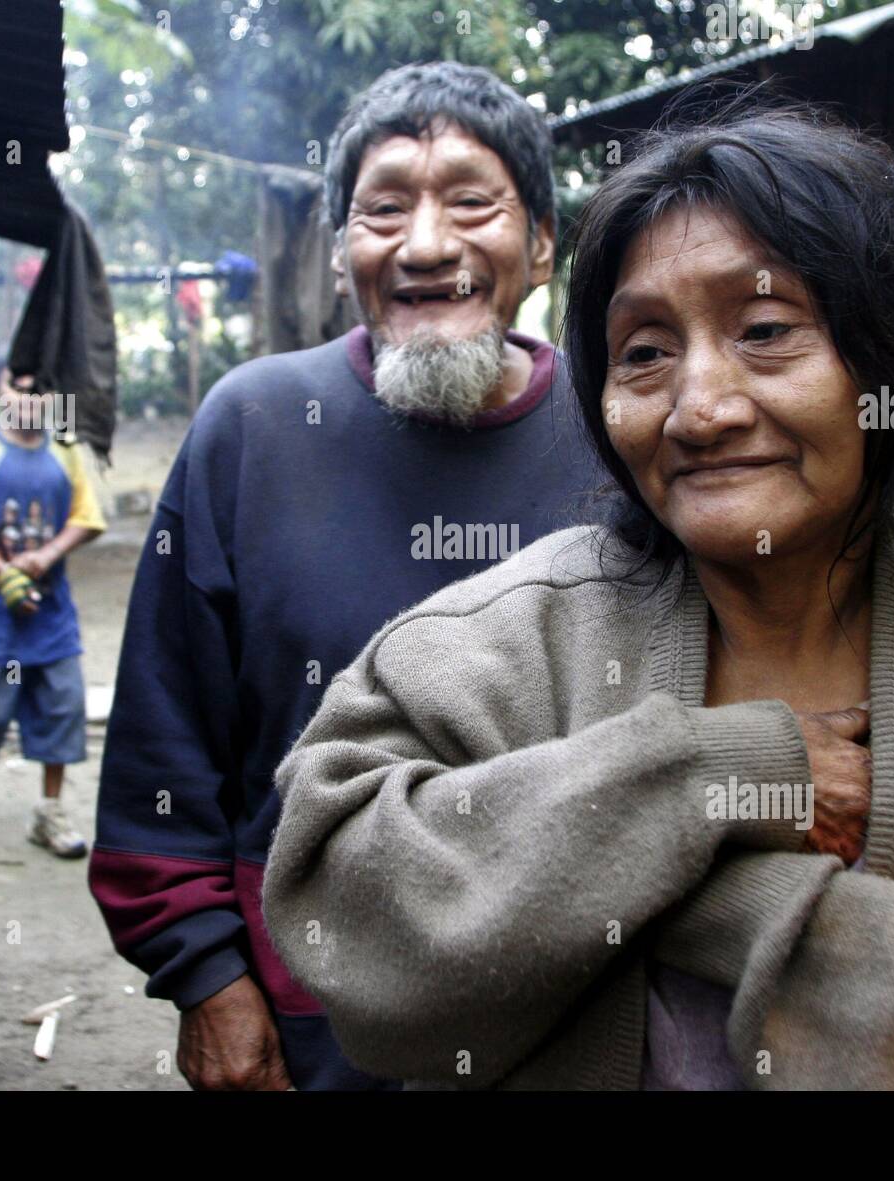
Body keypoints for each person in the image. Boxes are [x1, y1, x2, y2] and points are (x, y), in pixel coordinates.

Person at [262, 102, 894, 1090]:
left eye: (764, 331)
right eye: (643, 352)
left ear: (886, 357)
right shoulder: (500, 636)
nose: (700, 407)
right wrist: (714, 776)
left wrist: (673, 883)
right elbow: (346, 916)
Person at [88, 61, 602, 1091]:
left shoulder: (620, 434)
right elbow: (163, 727)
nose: (424, 244)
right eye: (382, 210)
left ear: (541, 244)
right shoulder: (251, 427)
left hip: (574, 1013)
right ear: (338, 258)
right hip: (306, 1017)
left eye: (470, 202)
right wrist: (207, 978)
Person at [0, 367, 105, 858]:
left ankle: (48, 813)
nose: (29, 401)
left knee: (63, 707)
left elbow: (88, 517)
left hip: (49, 614)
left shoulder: (67, 447)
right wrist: (4, 573)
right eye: (18, 389)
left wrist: (44, 557)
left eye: (41, 392)